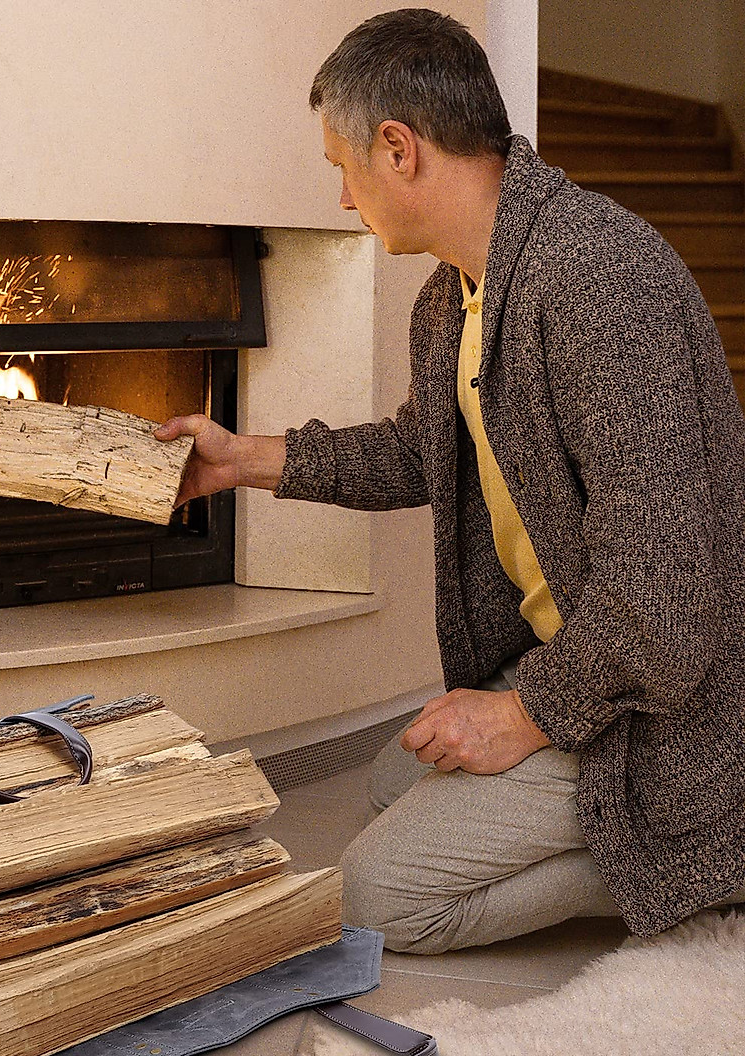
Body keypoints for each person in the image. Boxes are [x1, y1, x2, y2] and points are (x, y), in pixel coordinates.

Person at [155, 7, 745, 953]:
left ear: (398, 149)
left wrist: (524, 714)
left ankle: (702, 842)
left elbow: (664, 608)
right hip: (590, 648)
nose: (345, 199)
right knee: (391, 782)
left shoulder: (601, 283)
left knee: (377, 901)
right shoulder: (452, 296)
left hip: (680, 695)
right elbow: (423, 448)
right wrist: (242, 460)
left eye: (342, 168)